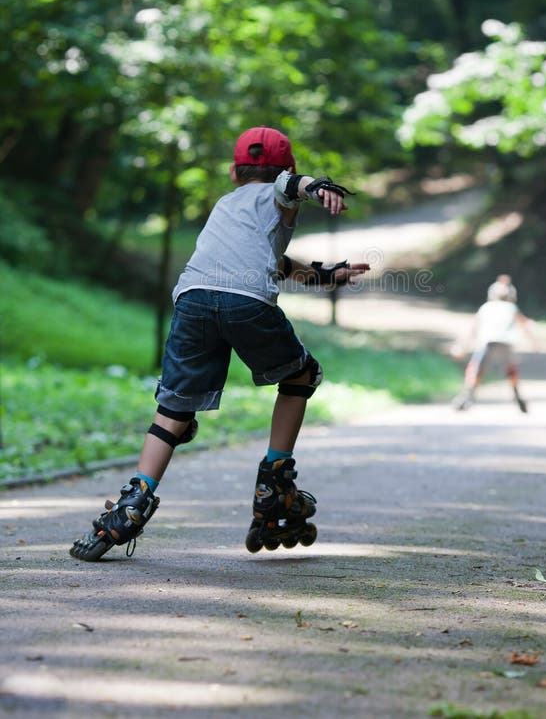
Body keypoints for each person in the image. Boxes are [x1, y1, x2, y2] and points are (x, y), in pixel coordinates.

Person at [70, 127, 369, 561]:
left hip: (192, 300)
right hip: (245, 303)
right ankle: (274, 480)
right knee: (302, 374)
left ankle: (135, 500)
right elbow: (288, 186)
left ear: (235, 171)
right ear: (288, 168)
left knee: (174, 408)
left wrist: (322, 275)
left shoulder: (226, 205)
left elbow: (276, 262)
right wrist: (316, 186)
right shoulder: (280, 190)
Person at [452, 276, 536, 413]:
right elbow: (524, 325)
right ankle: (517, 396)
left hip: (488, 343)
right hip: (506, 344)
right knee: (511, 371)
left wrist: (462, 346)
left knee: (475, 369)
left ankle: (467, 395)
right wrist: (534, 343)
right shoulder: (512, 307)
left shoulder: (486, 307)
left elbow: (473, 328)